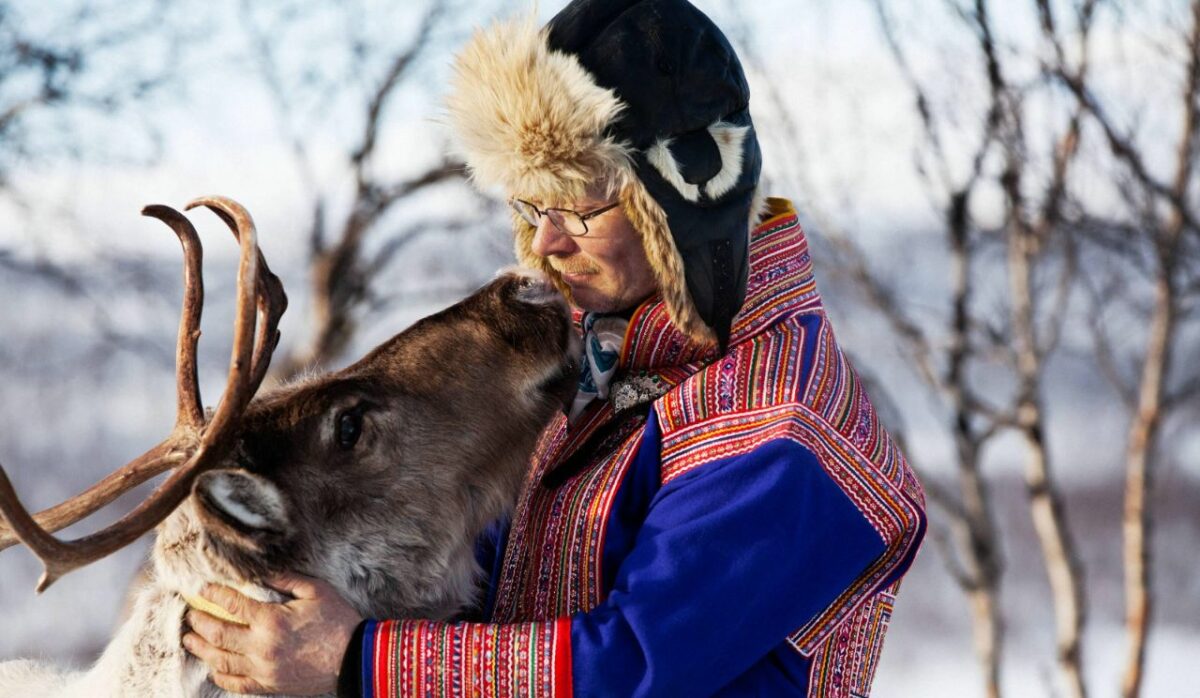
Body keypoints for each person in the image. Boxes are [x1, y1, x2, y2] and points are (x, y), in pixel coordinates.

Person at [181, 0, 928, 695]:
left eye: (579, 205)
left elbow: (635, 665)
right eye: (533, 203)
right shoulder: (602, 367)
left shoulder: (781, 428)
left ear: (684, 197)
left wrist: (358, 660)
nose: (545, 241)